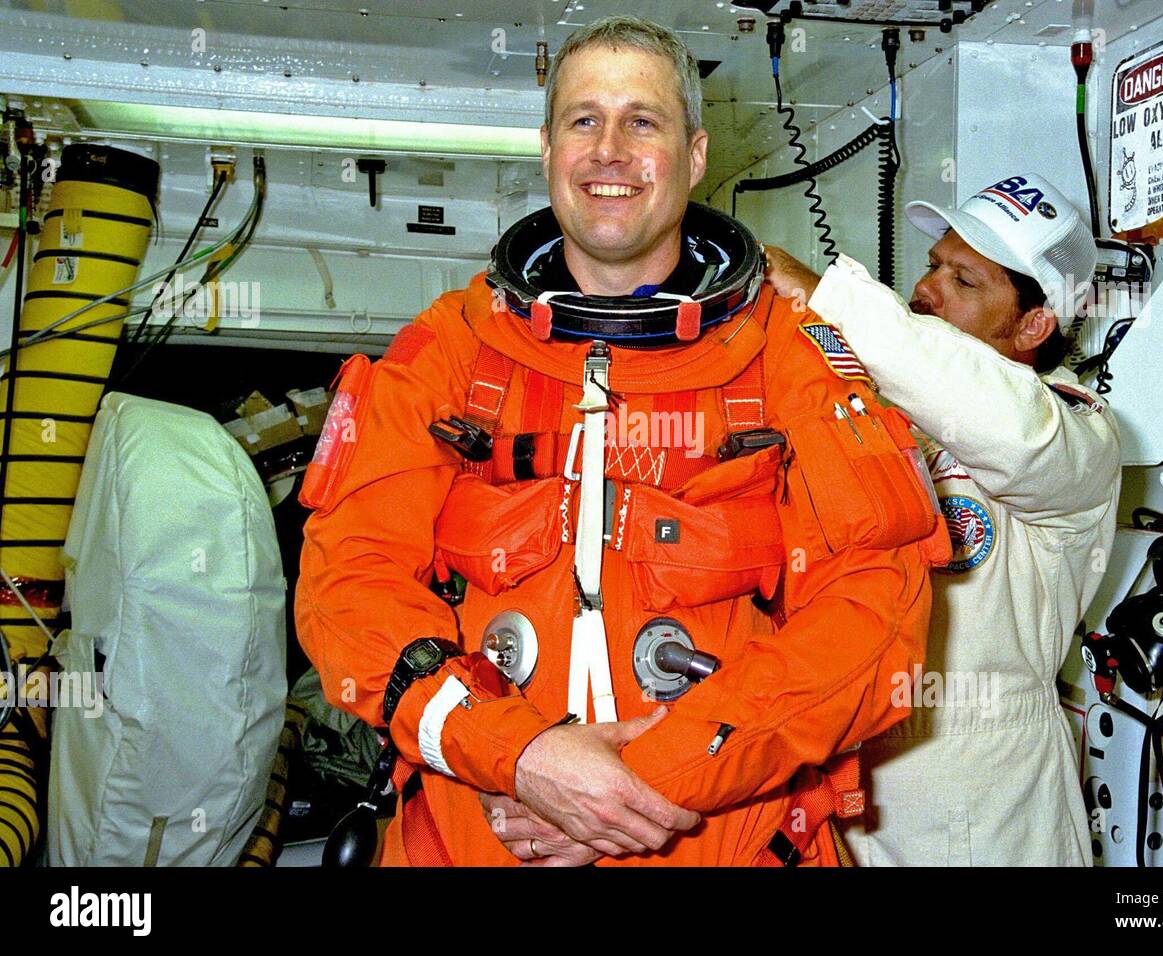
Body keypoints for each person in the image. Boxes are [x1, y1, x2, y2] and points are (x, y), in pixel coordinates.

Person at [294, 15, 949, 867]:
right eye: (583, 119)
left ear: (696, 154)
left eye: (643, 121)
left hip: (713, 835)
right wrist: (520, 755)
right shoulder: (454, 348)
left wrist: (649, 781)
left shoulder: (790, 356)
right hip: (479, 837)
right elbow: (348, 576)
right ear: (547, 147)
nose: (609, 149)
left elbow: (872, 617)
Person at [765, 172, 1121, 866]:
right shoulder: (871, 405)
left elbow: (1003, 424)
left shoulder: (1073, 432)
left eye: (964, 281)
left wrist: (831, 297)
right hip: (836, 760)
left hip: (984, 789)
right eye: (933, 265)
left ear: (1032, 324)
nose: (926, 289)